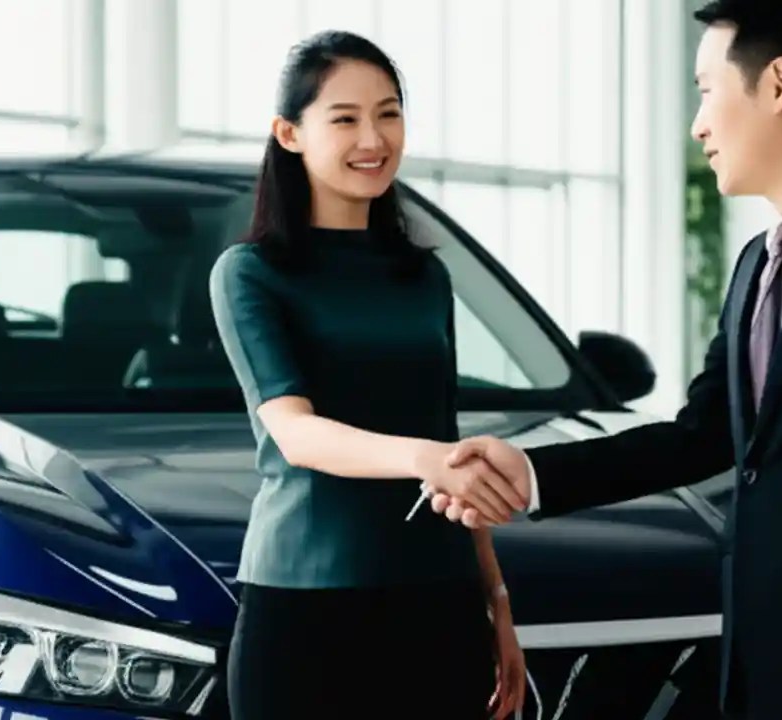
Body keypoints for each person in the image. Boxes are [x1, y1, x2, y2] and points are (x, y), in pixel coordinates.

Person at [430, 2, 782, 719]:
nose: (698, 122)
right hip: (764, 678)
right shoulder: (755, 265)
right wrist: (533, 472)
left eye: (707, 89)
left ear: (778, 84)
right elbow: (701, 435)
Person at [208, 30, 528, 720]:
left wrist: (495, 602)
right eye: (345, 118)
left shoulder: (424, 275)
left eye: (388, 113)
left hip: (437, 602)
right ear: (289, 135)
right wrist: (428, 459)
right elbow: (296, 434)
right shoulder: (250, 274)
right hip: (305, 604)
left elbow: (450, 441)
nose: (373, 138)